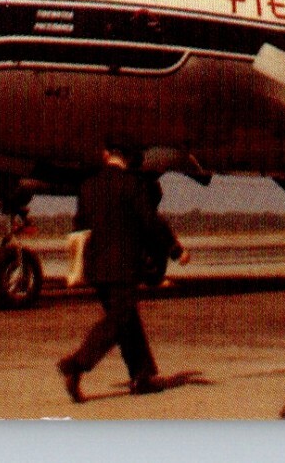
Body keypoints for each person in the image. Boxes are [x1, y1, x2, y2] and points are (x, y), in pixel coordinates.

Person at [57, 142, 191, 403]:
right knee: (119, 320)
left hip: (96, 267)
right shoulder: (133, 185)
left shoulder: (88, 187)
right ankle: (77, 363)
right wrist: (175, 251)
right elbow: (150, 222)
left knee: (127, 320)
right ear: (130, 159)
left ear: (106, 154)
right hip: (123, 265)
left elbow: (78, 228)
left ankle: (143, 376)